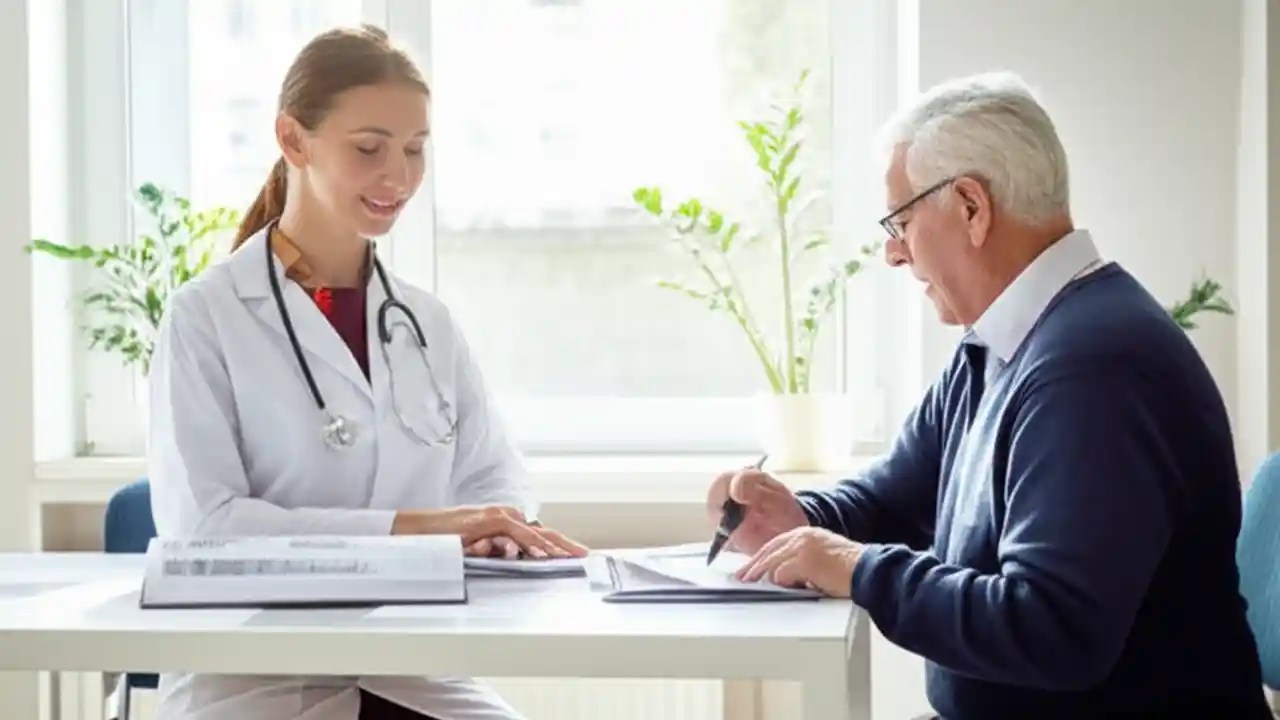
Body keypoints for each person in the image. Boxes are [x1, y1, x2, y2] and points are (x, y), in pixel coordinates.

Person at [706, 72, 1272, 719]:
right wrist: (797, 518)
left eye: (901, 221)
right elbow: (896, 497)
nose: (894, 253)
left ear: (971, 207)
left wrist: (861, 570)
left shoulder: (1095, 370)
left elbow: (1054, 631)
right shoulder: (1002, 345)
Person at [148, 25, 585, 720]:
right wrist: (421, 528)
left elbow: (494, 481)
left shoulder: (426, 324)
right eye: (368, 148)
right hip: (256, 681)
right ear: (293, 140)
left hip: (415, 671)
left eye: (415, 150)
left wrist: (502, 529)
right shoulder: (207, 317)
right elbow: (205, 530)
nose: (399, 177)